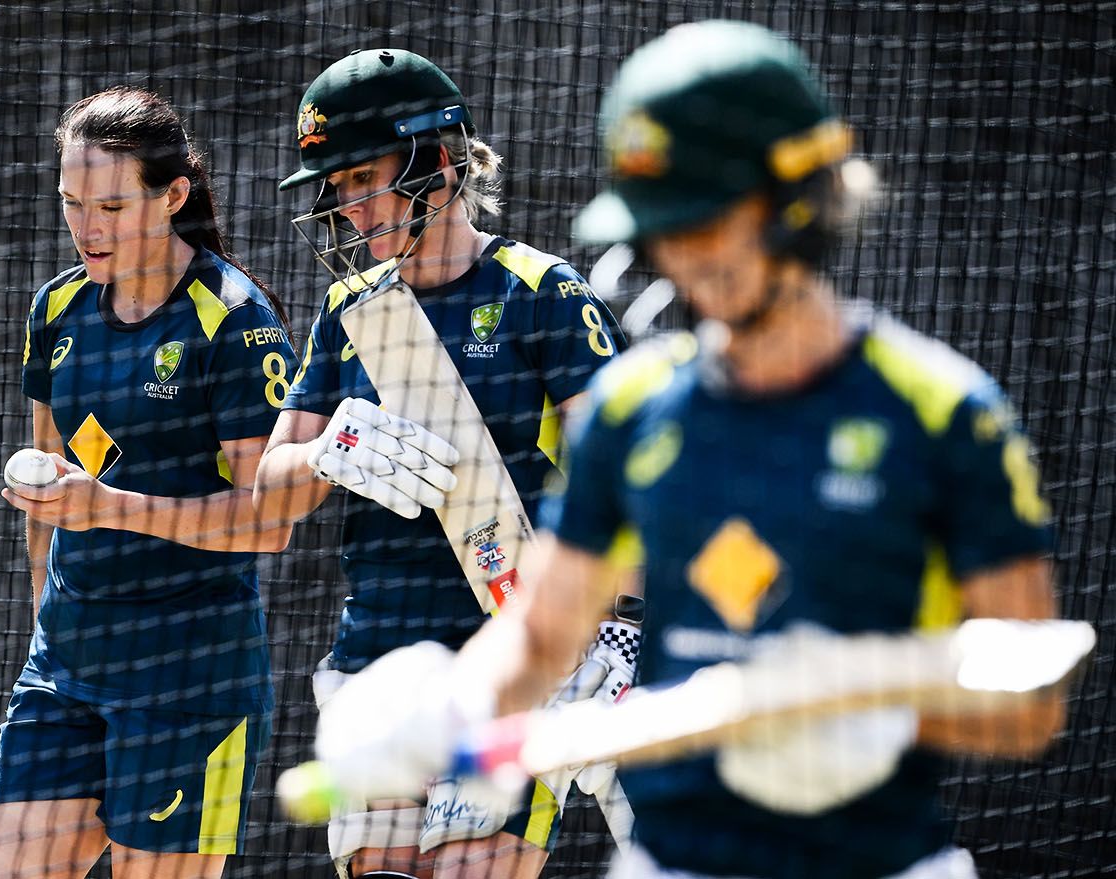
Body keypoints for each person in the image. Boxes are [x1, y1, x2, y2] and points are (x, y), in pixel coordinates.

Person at [309, 21, 1065, 879]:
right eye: (662, 227)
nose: (684, 257)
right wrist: (441, 708)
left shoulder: (943, 414)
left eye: (707, 221)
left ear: (803, 198)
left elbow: (1031, 700)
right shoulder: (637, 413)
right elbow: (542, 632)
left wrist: (876, 702)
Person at [252, 49, 627, 879]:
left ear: (442, 161)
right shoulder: (353, 311)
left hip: (514, 649)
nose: (350, 209)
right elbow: (267, 494)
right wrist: (326, 450)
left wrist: (620, 615)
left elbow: (627, 475)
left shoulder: (542, 291)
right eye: (337, 188)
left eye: (364, 178)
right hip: (377, 663)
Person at [0, 86, 298, 879]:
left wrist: (111, 507)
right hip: (66, 669)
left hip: (192, 680)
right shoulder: (55, 308)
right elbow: (50, 491)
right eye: (72, 204)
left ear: (173, 196)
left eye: (112, 206)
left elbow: (270, 520)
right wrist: (44, 629)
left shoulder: (236, 320)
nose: (88, 228)